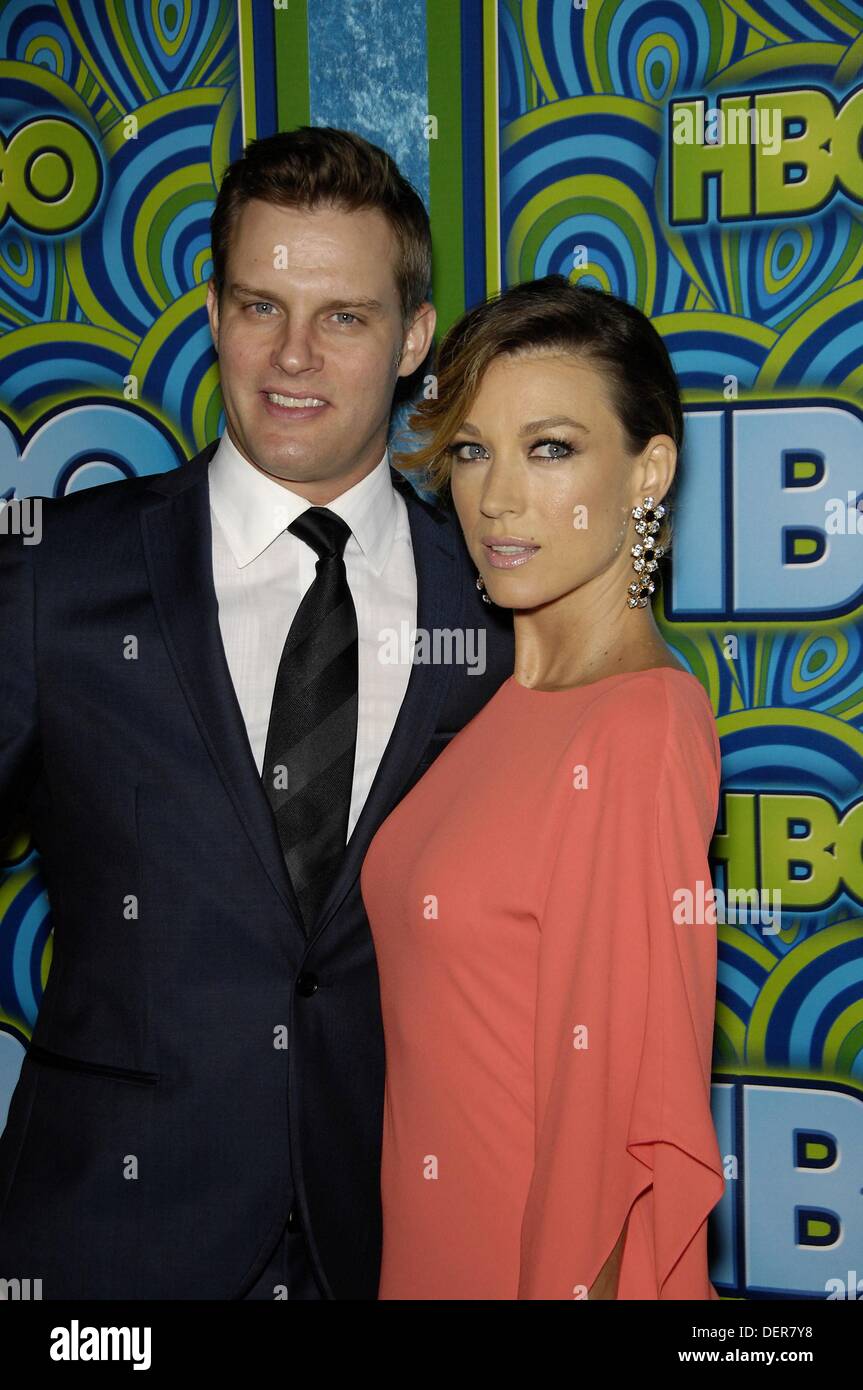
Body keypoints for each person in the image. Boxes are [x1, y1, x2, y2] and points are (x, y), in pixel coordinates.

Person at [0, 126, 514, 1300]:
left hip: (394, 1250)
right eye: (256, 305)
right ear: (213, 313)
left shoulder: (493, 616)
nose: (292, 355)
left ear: (413, 338)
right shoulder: (56, 579)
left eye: (342, 315)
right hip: (105, 1258)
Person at [360, 276, 726, 1299]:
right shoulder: (491, 712)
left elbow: (620, 1142)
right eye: (472, 450)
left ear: (647, 470)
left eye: (550, 448)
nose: (496, 496)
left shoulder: (635, 725)